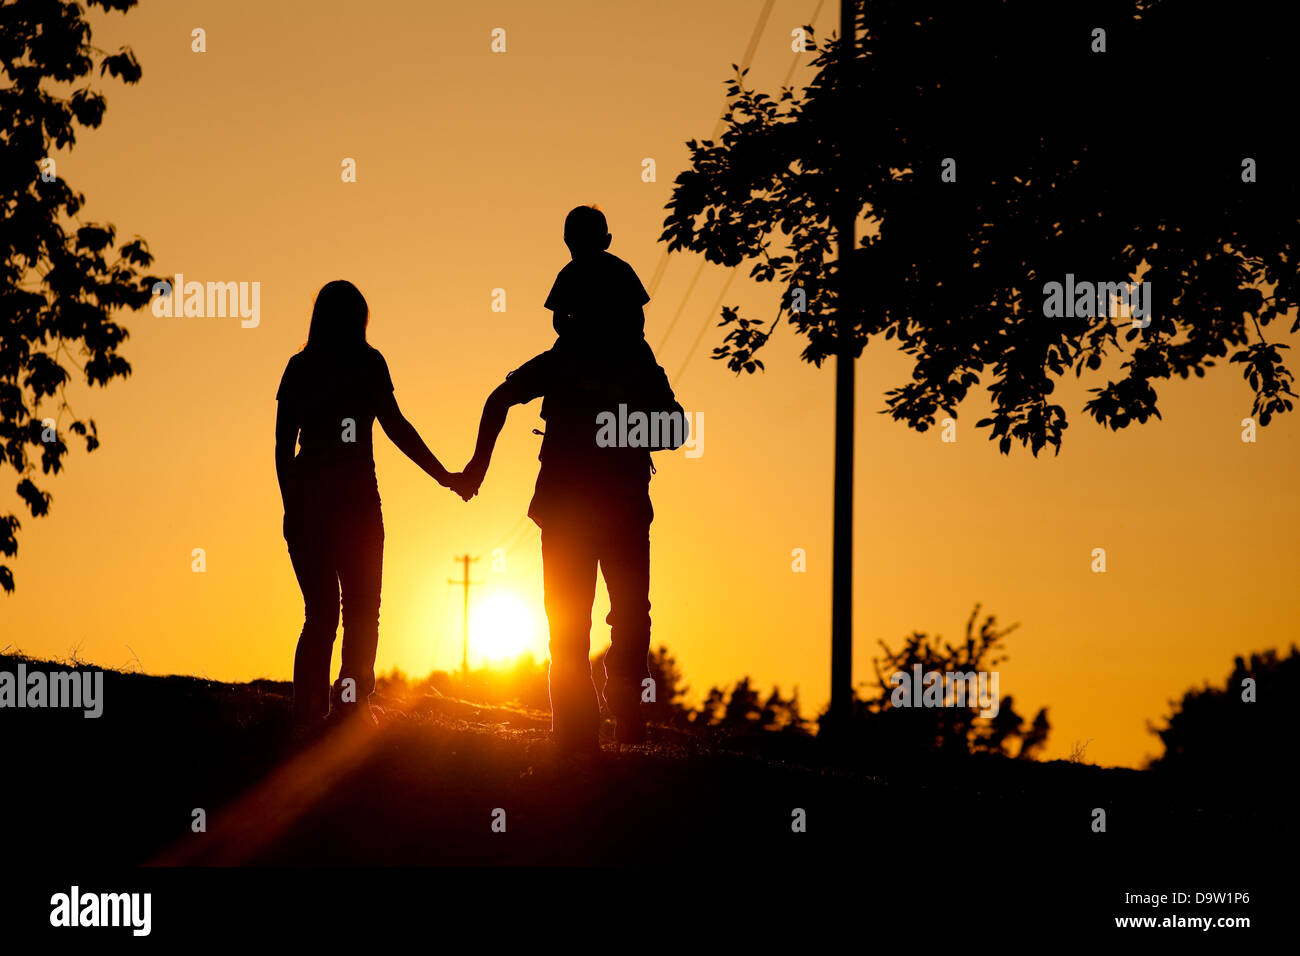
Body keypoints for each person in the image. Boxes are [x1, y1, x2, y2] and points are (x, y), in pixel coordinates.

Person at [453, 211, 687, 753]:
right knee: (620, 613)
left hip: (580, 506)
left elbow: (499, 398)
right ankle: (607, 724)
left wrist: (476, 470)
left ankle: (584, 730)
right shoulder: (632, 360)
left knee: (576, 619)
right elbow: (674, 427)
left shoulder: (587, 360)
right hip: (612, 505)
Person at [275, 280, 459, 733]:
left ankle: (312, 711)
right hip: (353, 502)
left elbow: (282, 446)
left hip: (316, 501)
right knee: (359, 610)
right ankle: (346, 706)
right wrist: (447, 477)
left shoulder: (301, 367)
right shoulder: (366, 363)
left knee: (323, 611)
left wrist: (292, 503)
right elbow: (396, 427)